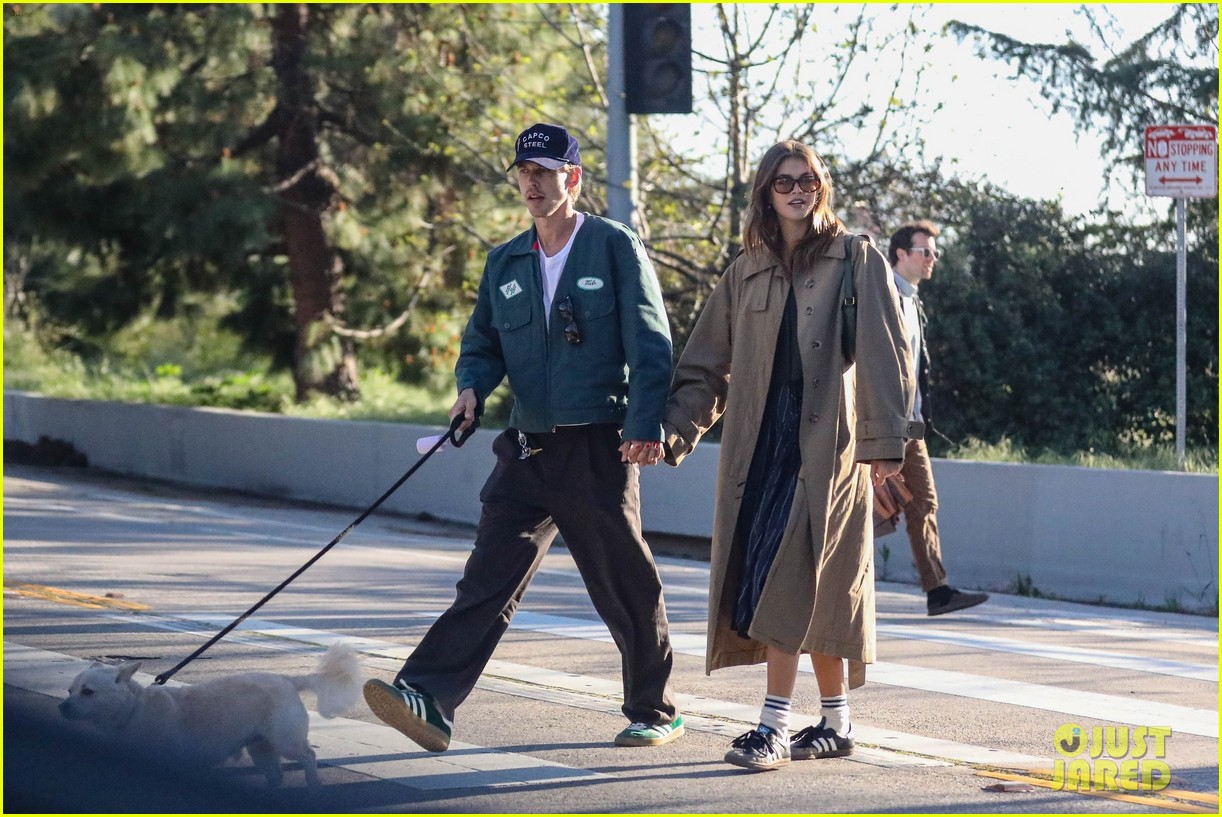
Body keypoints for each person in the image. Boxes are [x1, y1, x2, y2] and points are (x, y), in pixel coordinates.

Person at [363, 123, 683, 752]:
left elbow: (651, 342)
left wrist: (645, 425)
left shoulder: (612, 246)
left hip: (596, 446)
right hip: (527, 447)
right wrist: (471, 387)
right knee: (487, 578)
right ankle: (427, 697)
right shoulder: (505, 261)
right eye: (524, 173)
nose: (532, 183)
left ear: (573, 178)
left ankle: (655, 709)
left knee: (623, 581)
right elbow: (482, 343)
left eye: (545, 171)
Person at [647, 141, 920, 772]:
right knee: (811, 584)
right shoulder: (746, 270)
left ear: (822, 188)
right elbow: (705, 367)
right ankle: (836, 723)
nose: (798, 191)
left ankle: (771, 725)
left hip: (827, 446)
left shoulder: (856, 257)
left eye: (808, 180)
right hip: (759, 442)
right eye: (785, 182)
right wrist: (671, 431)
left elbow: (886, 352)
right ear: (766, 193)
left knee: (787, 575)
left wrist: (885, 446)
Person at [886, 221, 989, 617]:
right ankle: (820, 582)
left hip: (909, 424)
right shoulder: (884, 295)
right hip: (883, 422)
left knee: (923, 502)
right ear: (901, 254)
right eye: (925, 251)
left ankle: (937, 590)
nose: (932, 259)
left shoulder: (912, 301)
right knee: (861, 508)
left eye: (934, 252)